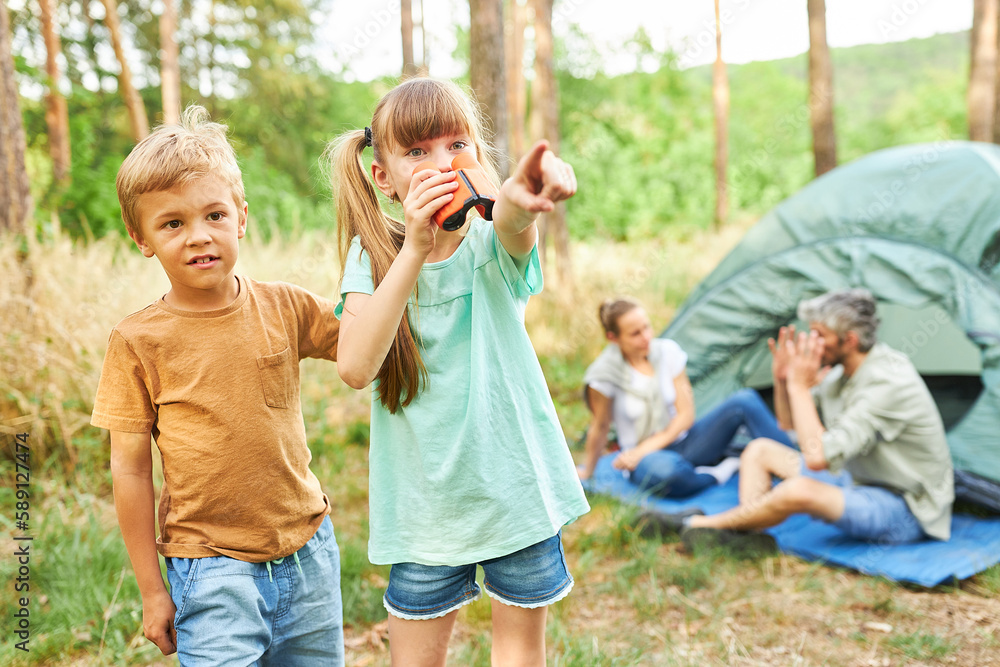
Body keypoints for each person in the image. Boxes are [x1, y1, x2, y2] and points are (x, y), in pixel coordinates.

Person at [331, 77, 590, 666]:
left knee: (519, 652)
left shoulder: (490, 243)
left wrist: (524, 195)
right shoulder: (371, 258)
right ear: (383, 178)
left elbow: (516, 221)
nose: (441, 164)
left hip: (515, 491)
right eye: (417, 152)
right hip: (424, 508)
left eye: (457, 146)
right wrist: (414, 250)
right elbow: (354, 365)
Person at [91, 107, 345, 665]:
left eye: (214, 214)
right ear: (142, 238)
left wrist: (401, 257)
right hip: (211, 572)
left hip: (309, 555)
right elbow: (130, 470)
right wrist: (153, 592)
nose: (199, 236)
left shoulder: (286, 305)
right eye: (172, 223)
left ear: (242, 217)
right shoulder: (137, 340)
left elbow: (365, 342)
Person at [648, 288, 954, 552]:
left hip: (905, 511)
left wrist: (798, 386)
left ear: (848, 340)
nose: (811, 342)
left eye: (820, 335)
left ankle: (697, 523)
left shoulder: (888, 383)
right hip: (856, 481)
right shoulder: (841, 373)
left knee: (798, 491)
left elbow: (817, 456)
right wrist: (783, 381)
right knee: (759, 450)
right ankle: (746, 534)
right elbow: (790, 424)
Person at [578, 297, 793, 499]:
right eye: (635, 333)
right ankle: (720, 471)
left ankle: (799, 469)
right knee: (668, 473)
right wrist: (588, 470)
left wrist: (644, 448)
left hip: (687, 442)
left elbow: (686, 415)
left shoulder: (667, 352)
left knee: (744, 400)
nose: (646, 338)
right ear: (613, 338)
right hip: (645, 459)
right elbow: (601, 426)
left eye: (647, 327)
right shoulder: (603, 378)